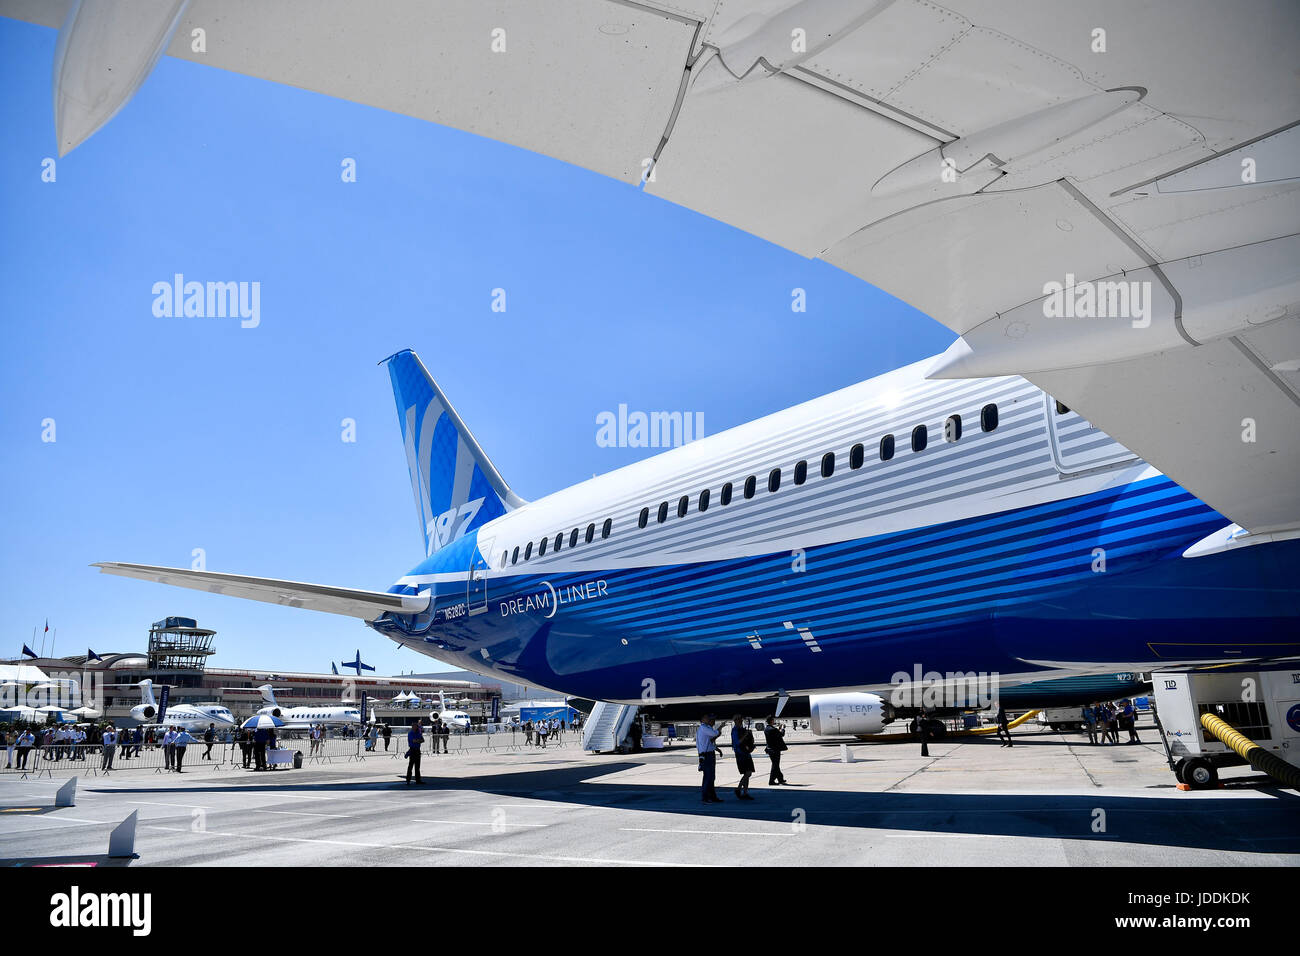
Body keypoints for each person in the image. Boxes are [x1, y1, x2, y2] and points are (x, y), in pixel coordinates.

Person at [696, 714, 722, 803]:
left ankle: (712, 796)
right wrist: (720, 728)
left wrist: (716, 749)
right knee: (708, 777)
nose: (709, 719)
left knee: (711, 777)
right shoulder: (704, 728)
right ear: (702, 719)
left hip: (709, 754)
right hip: (706, 755)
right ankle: (705, 797)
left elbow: (710, 741)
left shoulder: (706, 727)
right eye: (707, 717)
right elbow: (714, 734)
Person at [731, 714, 756, 800]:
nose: (741, 721)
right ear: (735, 721)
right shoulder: (735, 731)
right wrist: (746, 735)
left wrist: (750, 735)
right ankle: (738, 788)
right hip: (740, 754)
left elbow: (749, 741)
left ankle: (745, 792)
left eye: (741, 719)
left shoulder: (741, 730)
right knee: (748, 773)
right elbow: (737, 743)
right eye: (738, 720)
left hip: (746, 753)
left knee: (748, 774)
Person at [763, 719, 788, 785]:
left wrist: (778, 729)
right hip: (775, 749)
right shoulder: (773, 729)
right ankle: (771, 781)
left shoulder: (766, 729)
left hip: (769, 749)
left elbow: (774, 736)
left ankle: (780, 779)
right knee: (775, 765)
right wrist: (782, 729)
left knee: (775, 765)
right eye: (773, 720)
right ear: (771, 721)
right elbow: (781, 734)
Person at [406, 719, 425, 785]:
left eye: (416, 726)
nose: (416, 727)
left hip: (417, 750)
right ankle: (408, 779)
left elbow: (422, 740)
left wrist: (418, 740)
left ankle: (418, 780)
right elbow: (413, 741)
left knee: (417, 766)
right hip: (412, 750)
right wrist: (418, 740)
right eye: (415, 726)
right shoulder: (410, 733)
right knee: (410, 766)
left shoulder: (418, 733)